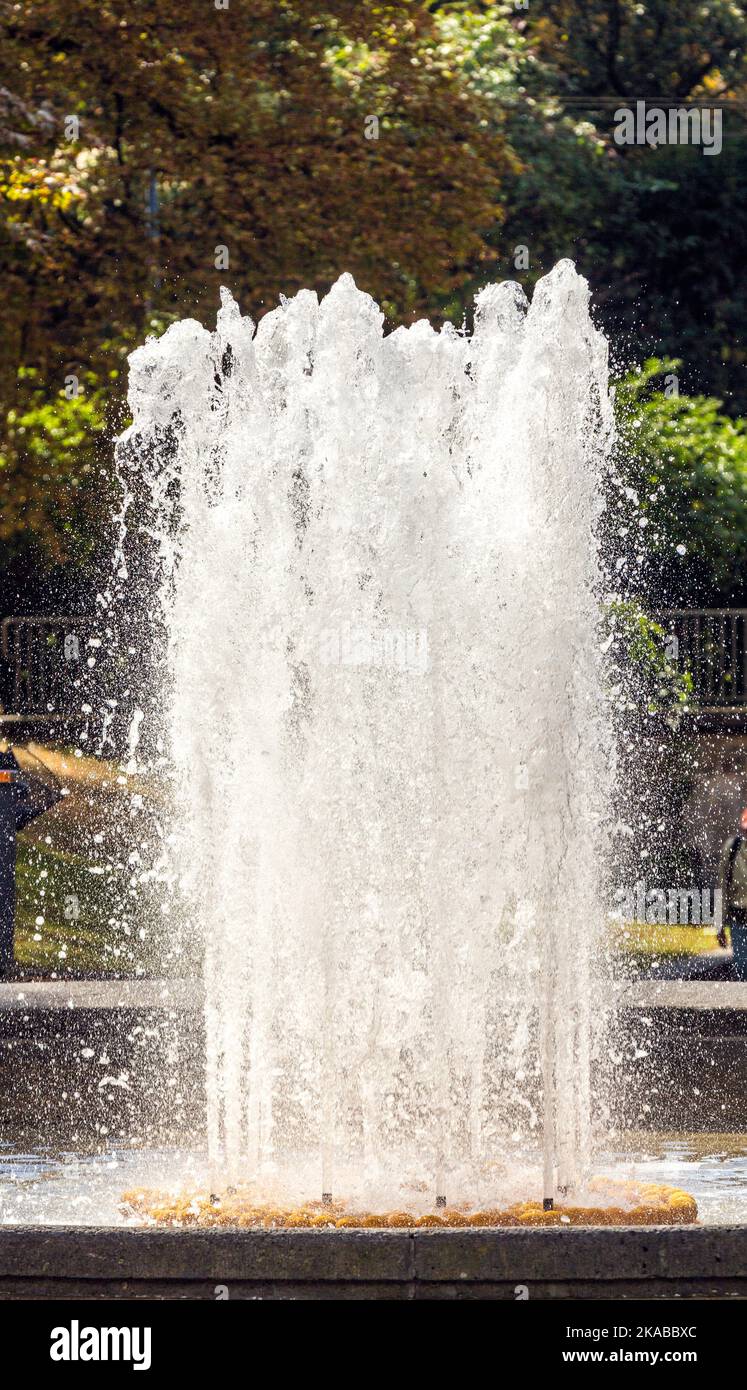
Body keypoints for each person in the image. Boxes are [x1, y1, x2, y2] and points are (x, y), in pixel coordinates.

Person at [718, 808, 747, 979]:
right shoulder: (732, 848)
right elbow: (721, 887)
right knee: (743, 969)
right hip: (739, 918)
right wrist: (719, 925)